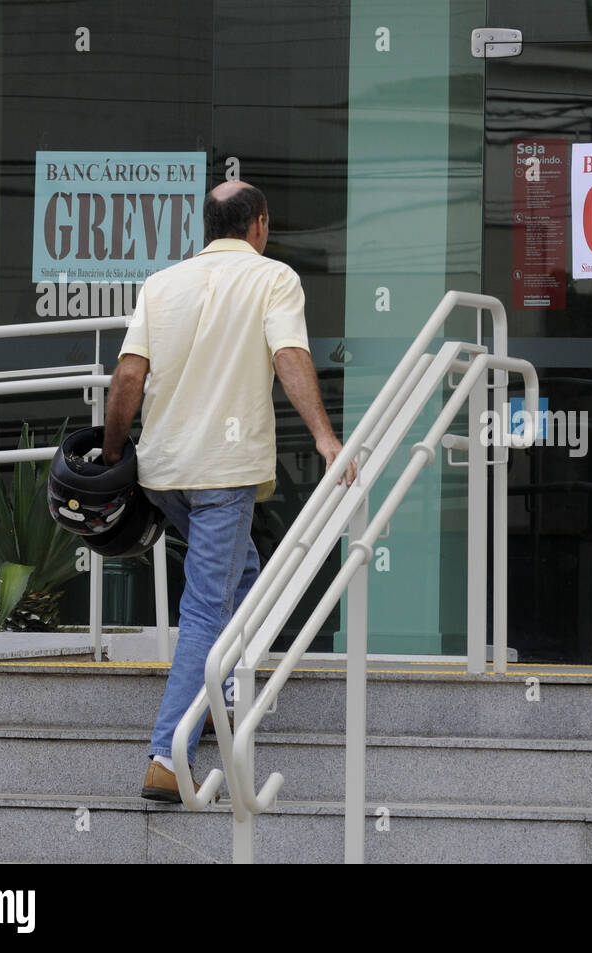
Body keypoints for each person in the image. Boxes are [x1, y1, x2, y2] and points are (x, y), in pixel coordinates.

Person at [102, 180, 356, 801]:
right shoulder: (273, 279)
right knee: (206, 607)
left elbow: (129, 374)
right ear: (259, 225)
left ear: (207, 226)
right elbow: (290, 354)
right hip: (224, 472)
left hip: (163, 474)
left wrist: (111, 454)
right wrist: (326, 438)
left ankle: (226, 696)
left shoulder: (162, 284)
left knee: (244, 575)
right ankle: (168, 754)